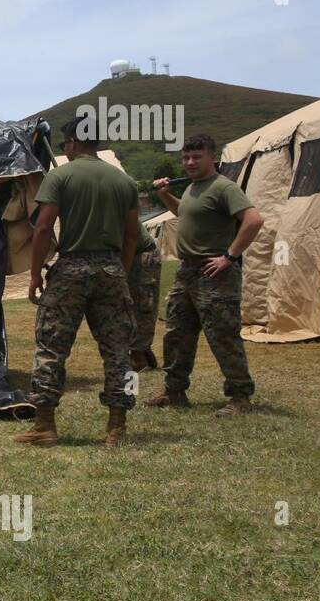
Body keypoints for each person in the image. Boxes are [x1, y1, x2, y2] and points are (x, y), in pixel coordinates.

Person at [14, 115, 140, 448]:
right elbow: (132, 237)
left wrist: (34, 273)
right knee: (118, 351)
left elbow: (42, 229)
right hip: (112, 270)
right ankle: (117, 427)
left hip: (71, 270)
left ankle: (44, 426)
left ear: (71, 143)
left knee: (51, 347)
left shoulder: (60, 176)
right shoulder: (124, 182)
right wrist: (120, 271)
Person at [149, 135, 264, 415]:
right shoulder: (193, 188)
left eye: (196, 157)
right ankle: (175, 390)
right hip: (186, 271)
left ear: (213, 158)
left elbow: (254, 220)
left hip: (214, 273)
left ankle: (239, 397)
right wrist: (164, 194)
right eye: (186, 158)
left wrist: (229, 256)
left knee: (222, 335)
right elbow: (185, 213)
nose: (189, 162)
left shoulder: (223, 187)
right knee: (177, 333)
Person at [128, 221, 163, 372]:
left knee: (143, 306)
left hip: (142, 255)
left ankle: (138, 356)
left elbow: (130, 237)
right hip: (132, 254)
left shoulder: (111, 202)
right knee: (133, 305)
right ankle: (143, 350)